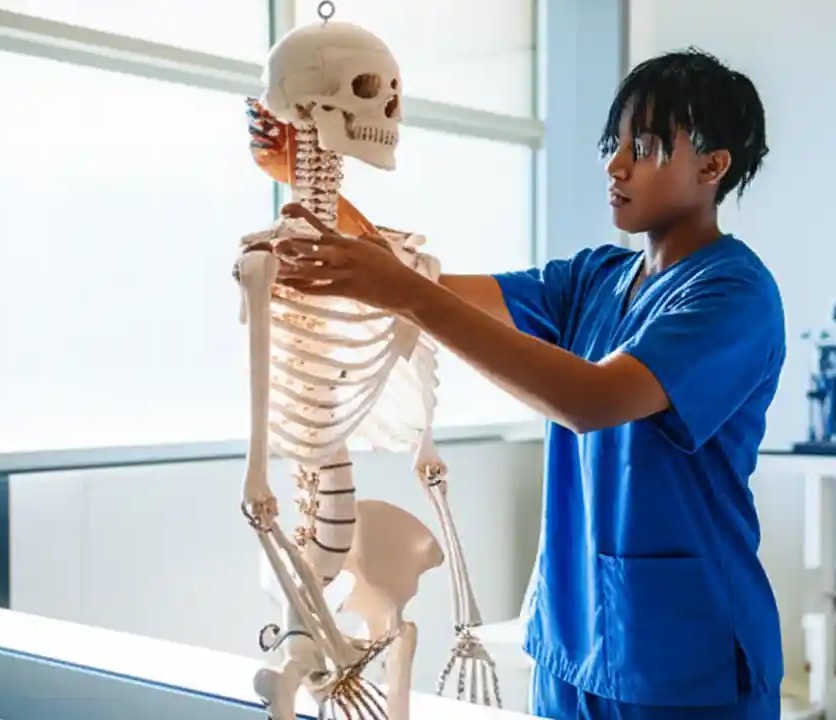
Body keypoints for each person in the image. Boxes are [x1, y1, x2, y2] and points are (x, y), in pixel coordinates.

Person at [253, 47, 785, 720]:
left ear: (712, 166)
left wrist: (404, 296)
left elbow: (591, 400)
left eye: (643, 147)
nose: (614, 165)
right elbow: (428, 285)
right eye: (610, 144)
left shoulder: (733, 295)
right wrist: (313, 184)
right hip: (572, 636)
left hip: (685, 656)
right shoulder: (595, 279)